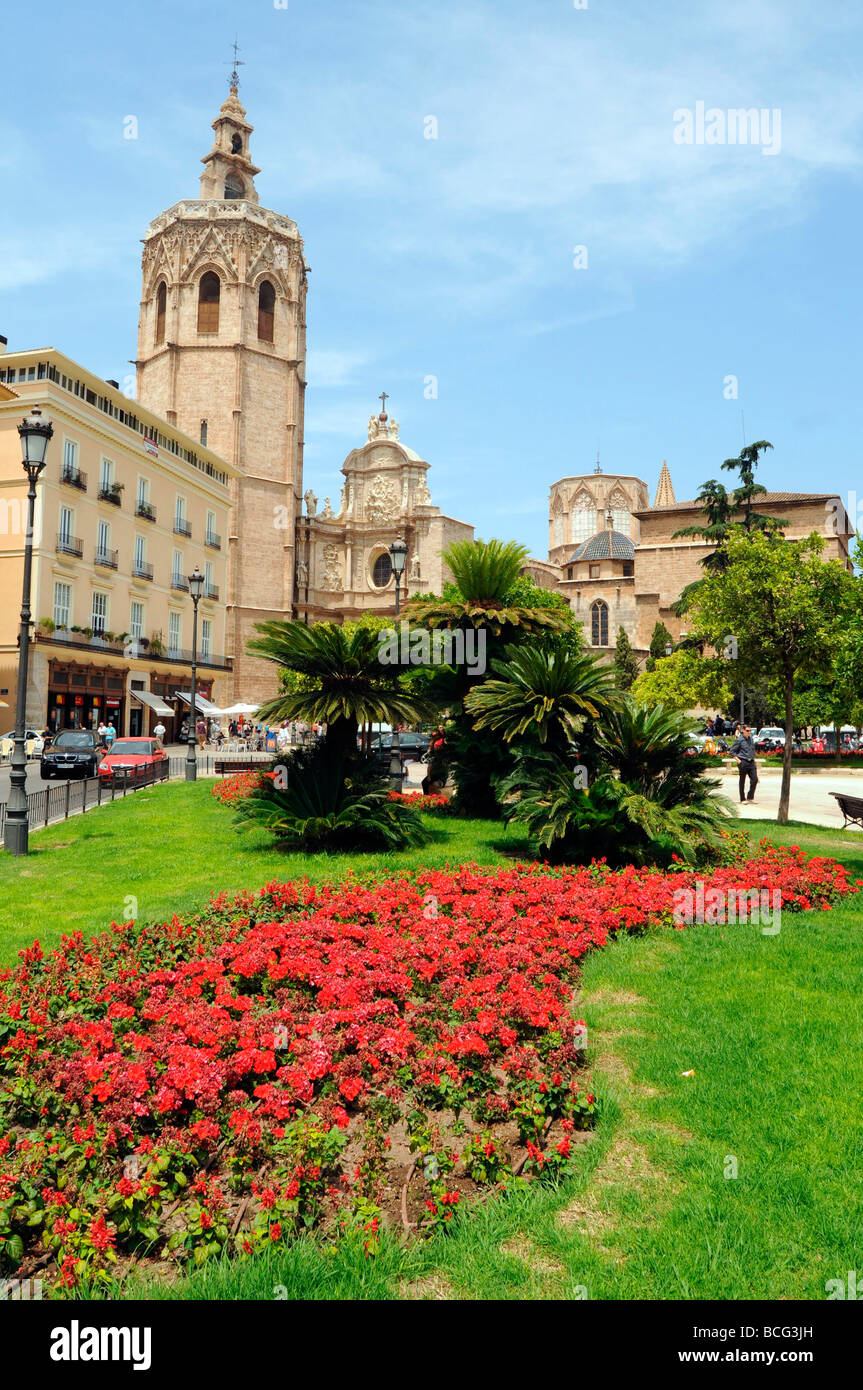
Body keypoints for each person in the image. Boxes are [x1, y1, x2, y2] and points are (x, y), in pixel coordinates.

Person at [730, 724, 758, 803]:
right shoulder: (739, 740)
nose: (749, 732)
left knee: (754, 780)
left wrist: (753, 759)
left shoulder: (751, 739)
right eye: (747, 731)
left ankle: (750, 797)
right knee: (742, 781)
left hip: (751, 762)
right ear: (743, 731)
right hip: (743, 761)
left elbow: (752, 750)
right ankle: (742, 799)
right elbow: (732, 751)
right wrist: (738, 760)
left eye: (750, 731)